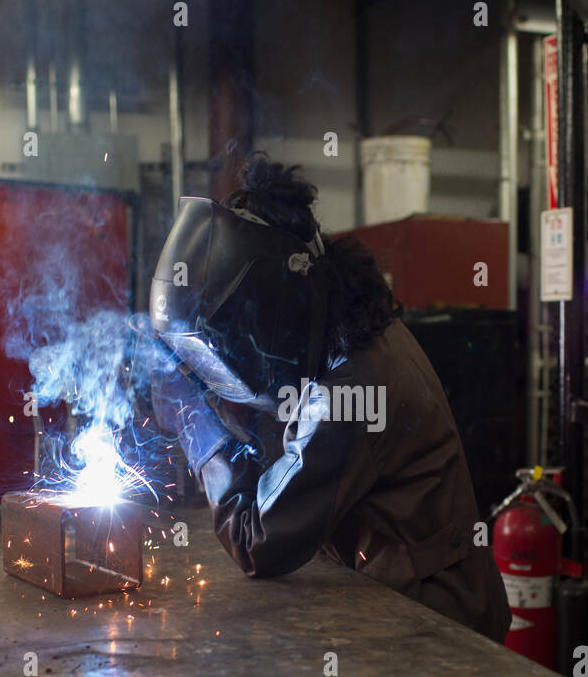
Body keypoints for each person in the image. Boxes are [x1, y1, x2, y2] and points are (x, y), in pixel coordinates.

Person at [146, 154, 510, 643]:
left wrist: (192, 417)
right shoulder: (351, 338)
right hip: (401, 601)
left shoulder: (353, 384)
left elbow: (258, 541)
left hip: (440, 626)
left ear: (279, 301)